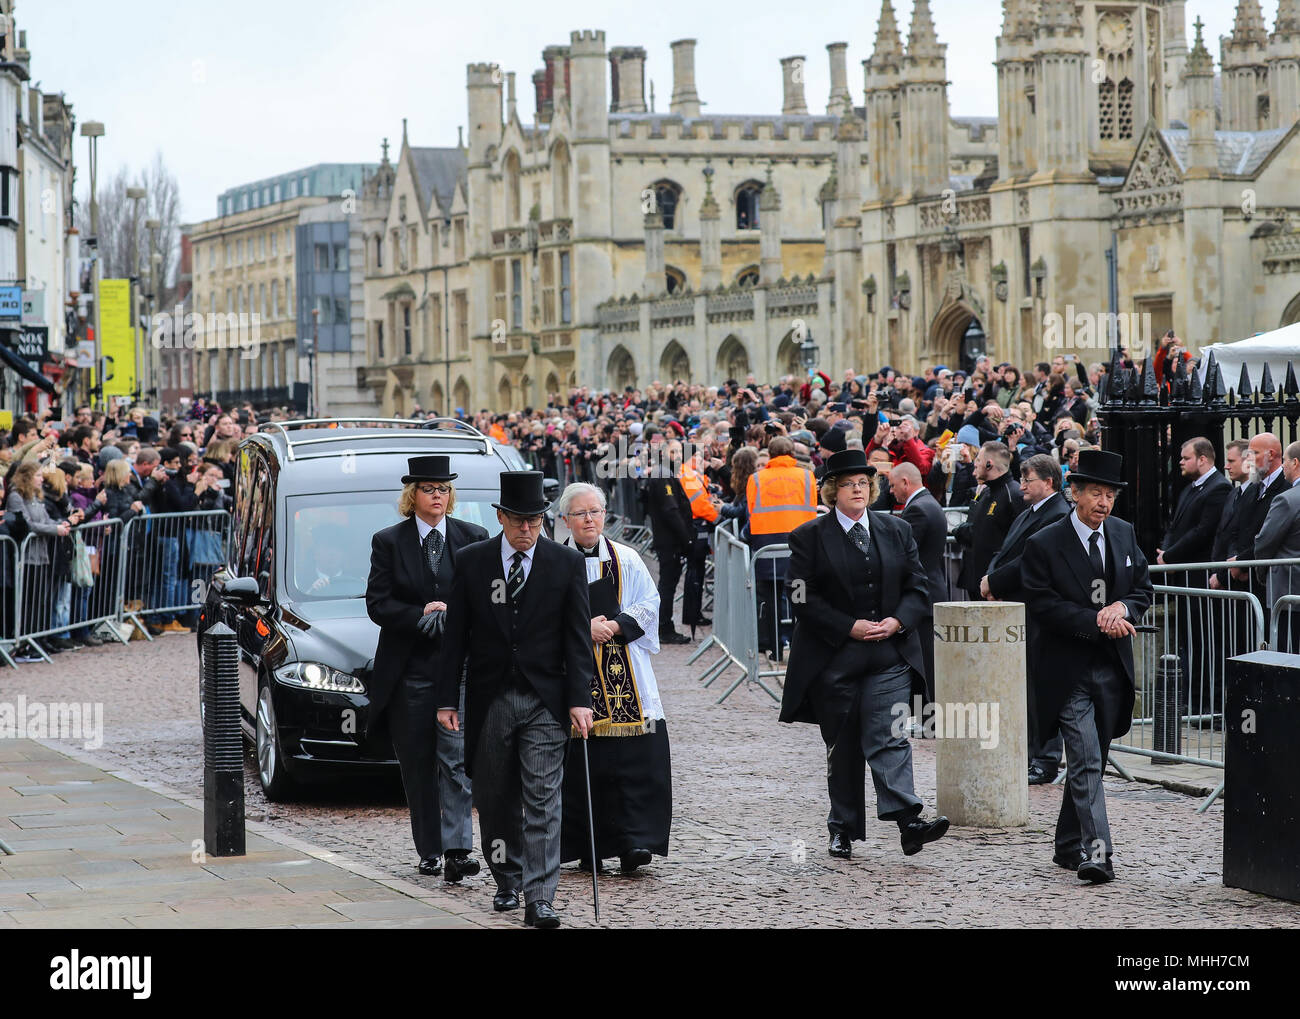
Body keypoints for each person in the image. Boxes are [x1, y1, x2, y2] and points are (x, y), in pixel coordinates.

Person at [437, 471, 595, 929]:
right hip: (491, 698)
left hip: (546, 698)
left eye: (535, 520)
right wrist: (448, 699)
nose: (527, 528)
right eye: (519, 520)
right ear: (501, 518)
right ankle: (507, 876)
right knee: (494, 794)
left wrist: (580, 699)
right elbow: (456, 641)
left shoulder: (565, 564)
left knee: (544, 798)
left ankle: (540, 897)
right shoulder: (472, 563)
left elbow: (577, 640)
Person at [780, 448, 949, 861]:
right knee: (843, 747)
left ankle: (909, 821)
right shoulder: (809, 536)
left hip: (888, 655)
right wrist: (846, 625)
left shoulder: (895, 529)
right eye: (847, 485)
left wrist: (898, 621)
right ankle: (842, 829)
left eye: (863, 484)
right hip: (833, 659)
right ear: (831, 491)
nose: (857, 490)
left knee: (889, 735)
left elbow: (918, 585)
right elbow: (801, 597)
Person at [1022, 449, 1153, 884]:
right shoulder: (1045, 542)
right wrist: (1095, 620)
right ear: (1073, 492)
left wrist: (1121, 608)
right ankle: (1097, 853)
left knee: (1089, 760)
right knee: (1085, 759)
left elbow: (1142, 589)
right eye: (1096, 492)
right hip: (1067, 668)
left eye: (1110, 494)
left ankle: (1065, 845)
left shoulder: (1123, 533)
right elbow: (1041, 603)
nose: (1104, 502)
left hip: (1112, 669)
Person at [365, 455, 488, 881]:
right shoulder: (388, 541)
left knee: (456, 763)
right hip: (410, 673)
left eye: (444, 489)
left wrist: (454, 611)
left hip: (458, 672)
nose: (438, 495)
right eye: (429, 489)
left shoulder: (474, 538)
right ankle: (430, 850)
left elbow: (487, 600)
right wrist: (422, 611)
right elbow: (378, 604)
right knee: (418, 765)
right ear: (412, 496)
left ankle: (458, 850)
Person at [555, 483, 672, 874]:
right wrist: (582, 629)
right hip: (576, 675)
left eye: (596, 512)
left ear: (605, 516)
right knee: (587, 768)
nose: (589, 519)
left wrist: (617, 625)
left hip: (628, 676)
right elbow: (542, 615)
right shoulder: (554, 562)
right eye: (580, 514)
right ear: (566, 520)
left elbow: (650, 604)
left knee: (635, 765)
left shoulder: (628, 558)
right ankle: (591, 845)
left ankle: (634, 842)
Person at [980, 453, 1070, 783]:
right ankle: (1030, 752)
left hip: (1037, 611)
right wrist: (991, 578)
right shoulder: (1029, 512)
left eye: (1027, 480)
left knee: (1039, 686)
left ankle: (1045, 758)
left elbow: (1029, 560)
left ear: (1048, 482)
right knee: (1024, 686)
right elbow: (1005, 552)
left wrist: (994, 581)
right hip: (1015, 608)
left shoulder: (1057, 514)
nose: (1021, 486)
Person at [1156, 438, 1231, 717]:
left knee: (1204, 641)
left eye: (1186, 458)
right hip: (1183, 576)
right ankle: (1191, 700)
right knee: (1188, 640)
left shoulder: (1218, 488)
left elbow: (1203, 531)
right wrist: (1166, 553)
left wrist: (1170, 556)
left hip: (1200, 576)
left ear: (1202, 459)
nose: (1181, 463)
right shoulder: (1189, 488)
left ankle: (1206, 704)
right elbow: (1175, 526)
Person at [746, 436, 817, 659]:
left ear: (770, 453)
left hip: (765, 548)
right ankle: (800, 648)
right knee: (799, 598)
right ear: (792, 454)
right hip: (800, 546)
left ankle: (775, 650)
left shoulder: (756, 479)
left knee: (772, 602)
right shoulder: (807, 476)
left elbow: (750, 511)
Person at [889, 462, 946, 704]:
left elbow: (904, 555)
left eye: (892, 485)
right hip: (931, 591)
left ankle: (929, 716)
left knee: (926, 661)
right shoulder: (928, 503)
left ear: (905, 481)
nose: (890, 491)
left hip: (924, 596)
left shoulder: (918, 509)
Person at [953, 441, 1023, 598]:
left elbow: (1020, 546)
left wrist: (999, 581)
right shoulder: (985, 493)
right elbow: (977, 531)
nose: (974, 466)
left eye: (978, 460)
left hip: (1001, 589)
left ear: (989, 464)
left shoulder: (1014, 495)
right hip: (979, 583)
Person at [644, 439, 694, 644]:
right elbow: (671, 510)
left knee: (668, 583)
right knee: (667, 584)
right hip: (669, 540)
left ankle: (664, 625)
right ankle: (664, 627)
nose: (678, 456)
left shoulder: (666, 473)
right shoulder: (662, 474)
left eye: (680, 452)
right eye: (674, 452)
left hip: (669, 539)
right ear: (664, 454)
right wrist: (687, 540)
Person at [1252, 440, 1300, 653]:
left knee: (1287, 654)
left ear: (1296, 463)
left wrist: (1262, 574)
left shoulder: (1287, 500)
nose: (1283, 467)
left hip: (1287, 591)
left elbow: (1264, 543)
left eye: (1286, 462)